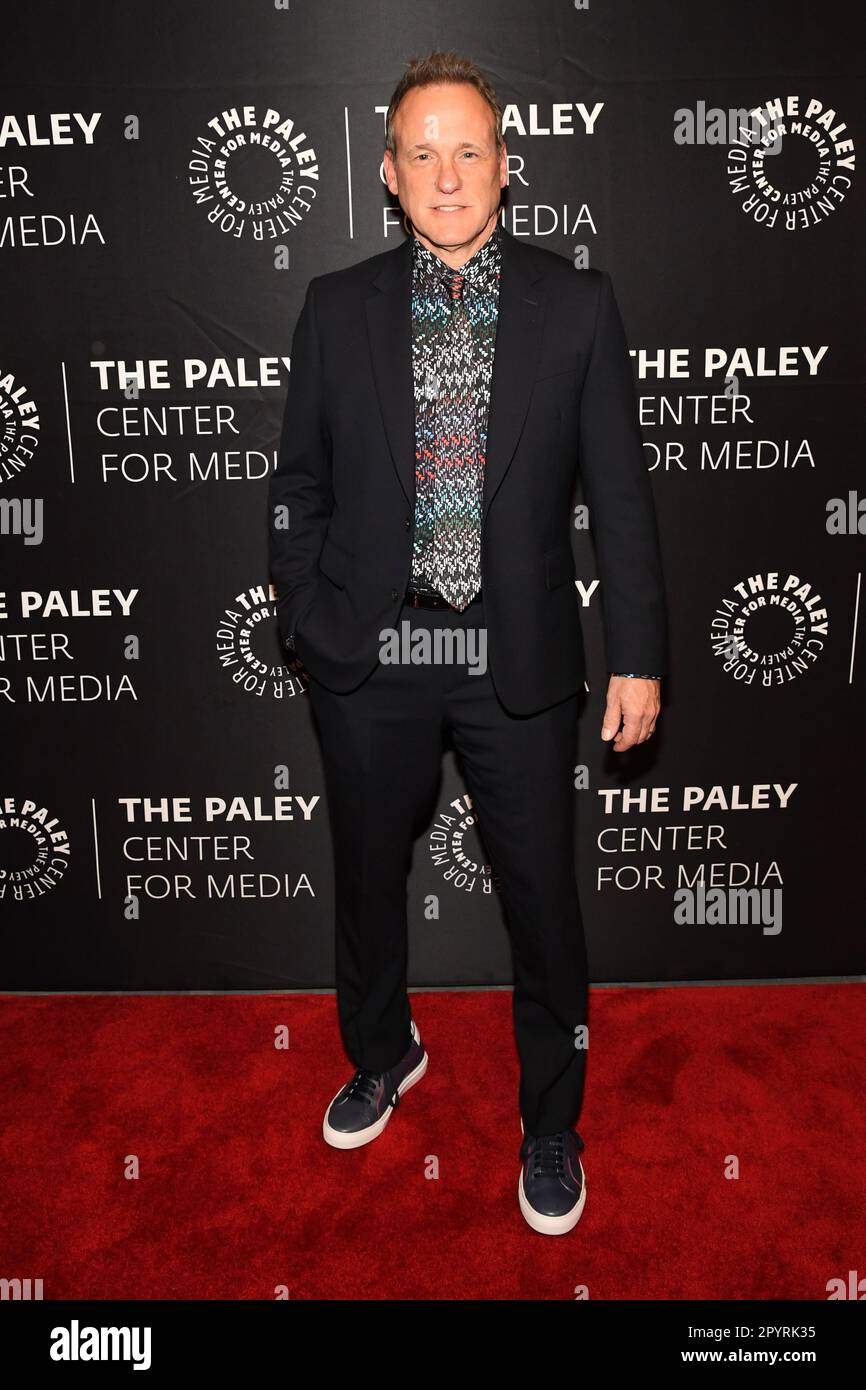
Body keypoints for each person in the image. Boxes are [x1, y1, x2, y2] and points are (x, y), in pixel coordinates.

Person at [267, 50, 667, 1236]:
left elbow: (624, 496)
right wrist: (305, 612)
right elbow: (296, 485)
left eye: (469, 150)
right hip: (371, 657)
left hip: (519, 659)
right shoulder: (336, 308)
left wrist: (636, 650)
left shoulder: (577, 304)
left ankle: (550, 1121)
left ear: (505, 166)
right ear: (387, 175)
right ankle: (382, 1050)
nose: (447, 174)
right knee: (367, 881)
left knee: (544, 901)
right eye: (422, 154)